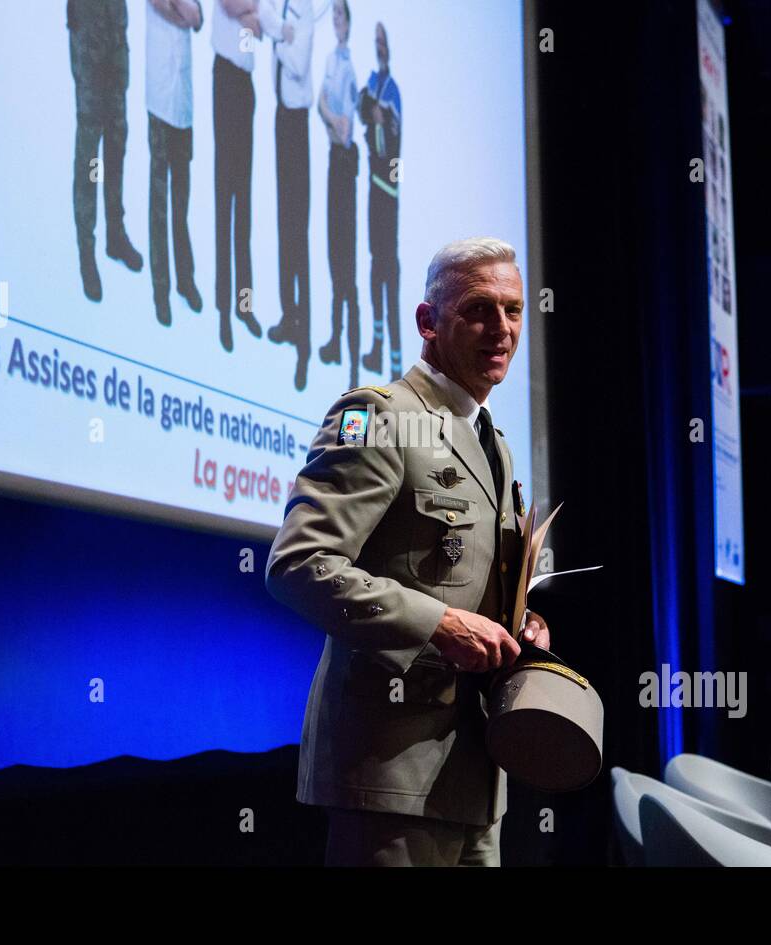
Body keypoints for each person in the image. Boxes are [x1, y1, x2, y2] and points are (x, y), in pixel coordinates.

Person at [265, 237, 549, 867]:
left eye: (514, 310)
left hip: (474, 772)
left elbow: (462, 577)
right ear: (428, 322)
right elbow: (299, 565)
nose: (500, 329)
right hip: (389, 769)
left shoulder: (491, 440)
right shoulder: (377, 415)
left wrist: (516, 624)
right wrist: (439, 625)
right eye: (479, 309)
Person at [210, 0, 293, 351]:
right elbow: (232, 7)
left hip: (245, 87)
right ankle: (223, 313)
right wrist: (254, 14)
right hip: (225, 78)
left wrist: (257, 17)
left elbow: (278, 29)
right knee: (224, 198)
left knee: (243, 205)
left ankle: (244, 306)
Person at [67, 0, 144, 303]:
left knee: (116, 140)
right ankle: (87, 250)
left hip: (116, 33)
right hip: (88, 31)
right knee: (90, 151)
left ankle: (116, 235)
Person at [263, 0, 315, 391]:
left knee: (299, 235)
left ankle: (305, 344)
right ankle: (287, 315)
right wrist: (282, 33)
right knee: (282, 226)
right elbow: (264, 19)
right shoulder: (281, 9)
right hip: (281, 118)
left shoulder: (306, 10)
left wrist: (279, 38)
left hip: (298, 125)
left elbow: (297, 65)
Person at [145, 0, 205, 327]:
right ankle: (160, 291)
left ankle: (186, 280)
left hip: (183, 104)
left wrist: (183, 12)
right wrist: (181, 12)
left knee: (181, 202)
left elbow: (197, 18)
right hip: (159, 98)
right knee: (159, 204)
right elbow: (161, 6)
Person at [316, 0, 360, 389]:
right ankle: (334, 340)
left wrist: (334, 120)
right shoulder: (330, 59)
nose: (335, 22)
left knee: (347, 265)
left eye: (340, 16)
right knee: (333, 253)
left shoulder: (349, 65)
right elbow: (322, 104)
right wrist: (331, 118)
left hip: (346, 159)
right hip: (334, 156)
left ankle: (352, 359)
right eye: (332, 16)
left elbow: (347, 125)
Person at [357, 22, 402, 381]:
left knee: (389, 270)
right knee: (375, 266)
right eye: (376, 43)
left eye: (383, 42)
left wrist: (379, 115)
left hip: (388, 192)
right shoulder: (372, 83)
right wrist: (370, 110)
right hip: (372, 187)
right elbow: (362, 108)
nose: (379, 47)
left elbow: (391, 130)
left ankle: (397, 358)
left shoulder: (393, 91)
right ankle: (375, 346)